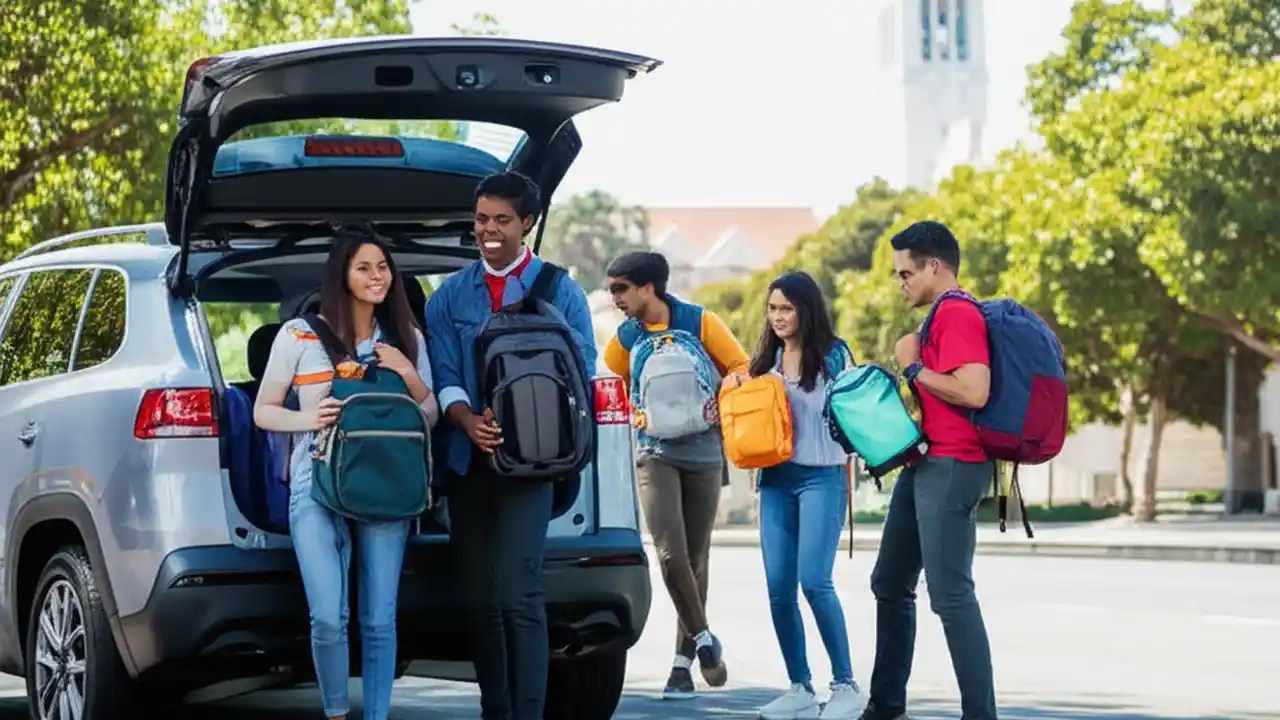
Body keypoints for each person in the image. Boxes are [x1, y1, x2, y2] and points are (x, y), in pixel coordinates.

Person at [426, 171, 597, 720]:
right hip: (468, 461)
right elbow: (444, 371)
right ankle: (494, 710)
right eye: (481, 220)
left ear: (528, 223)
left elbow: (583, 370)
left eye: (502, 220)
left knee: (519, 594)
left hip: (535, 463)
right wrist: (466, 420)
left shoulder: (561, 290)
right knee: (480, 601)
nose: (489, 230)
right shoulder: (450, 295)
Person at [254, 230, 439, 720]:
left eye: (383, 267)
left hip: (386, 483)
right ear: (342, 274)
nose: (376, 276)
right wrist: (308, 419)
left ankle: (376, 716)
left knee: (379, 620)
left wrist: (408, 371)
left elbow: (430, 414)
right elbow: (263, 411)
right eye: (364, 267)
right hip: (315, 483)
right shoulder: (299, 335)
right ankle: (336, 712)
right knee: (327, 618)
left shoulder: (408, 339)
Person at [861, 221, 996, 720]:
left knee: (951, 595)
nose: (901, 284)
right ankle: (886, 705)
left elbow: (974, 390)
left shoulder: (958, 312)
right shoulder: (940, 315)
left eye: (905, 273)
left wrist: (913, 368)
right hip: (924, 460)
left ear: (934, 266)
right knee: (890, 581)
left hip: (954, 464)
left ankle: (981, 715)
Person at [603, 251, 747, 697]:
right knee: (670, 553)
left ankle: (682, 663)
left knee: (697, 556)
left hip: (704, 450)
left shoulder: (700, 322)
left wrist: (726, 387)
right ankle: (705, 639)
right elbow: (610, 383)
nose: (616, 300)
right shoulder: (625, 338)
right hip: (654, 452)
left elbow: (741, 366)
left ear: (649, 287)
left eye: (621, 290)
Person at [736, 271, 867, 720]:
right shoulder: (763, 362)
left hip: (822, 478)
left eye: (787, 308)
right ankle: (800, 686)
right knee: (778, 589)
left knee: (814, 581)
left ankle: (846, 684)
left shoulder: (833, 355)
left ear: (806, 310)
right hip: (775, 480)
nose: (778, 317)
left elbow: (855, 409)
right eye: (772, 309)